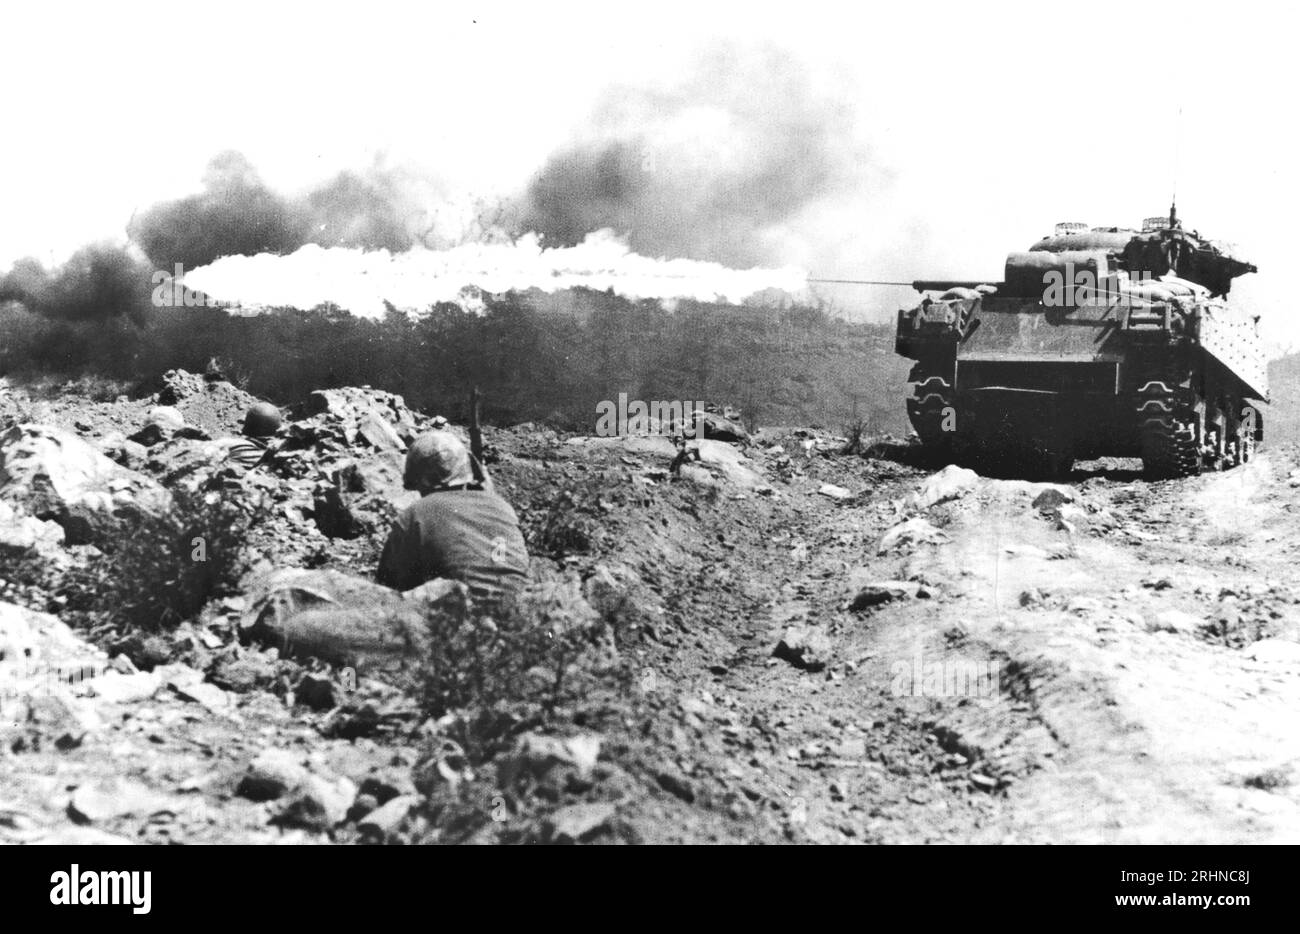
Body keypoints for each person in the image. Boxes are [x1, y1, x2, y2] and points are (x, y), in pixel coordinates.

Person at [376, 429, 528, 602]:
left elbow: (386, 587)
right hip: (518, 610)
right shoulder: (502, 506)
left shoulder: (414, 515)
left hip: (461, 614)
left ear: (419, 479)